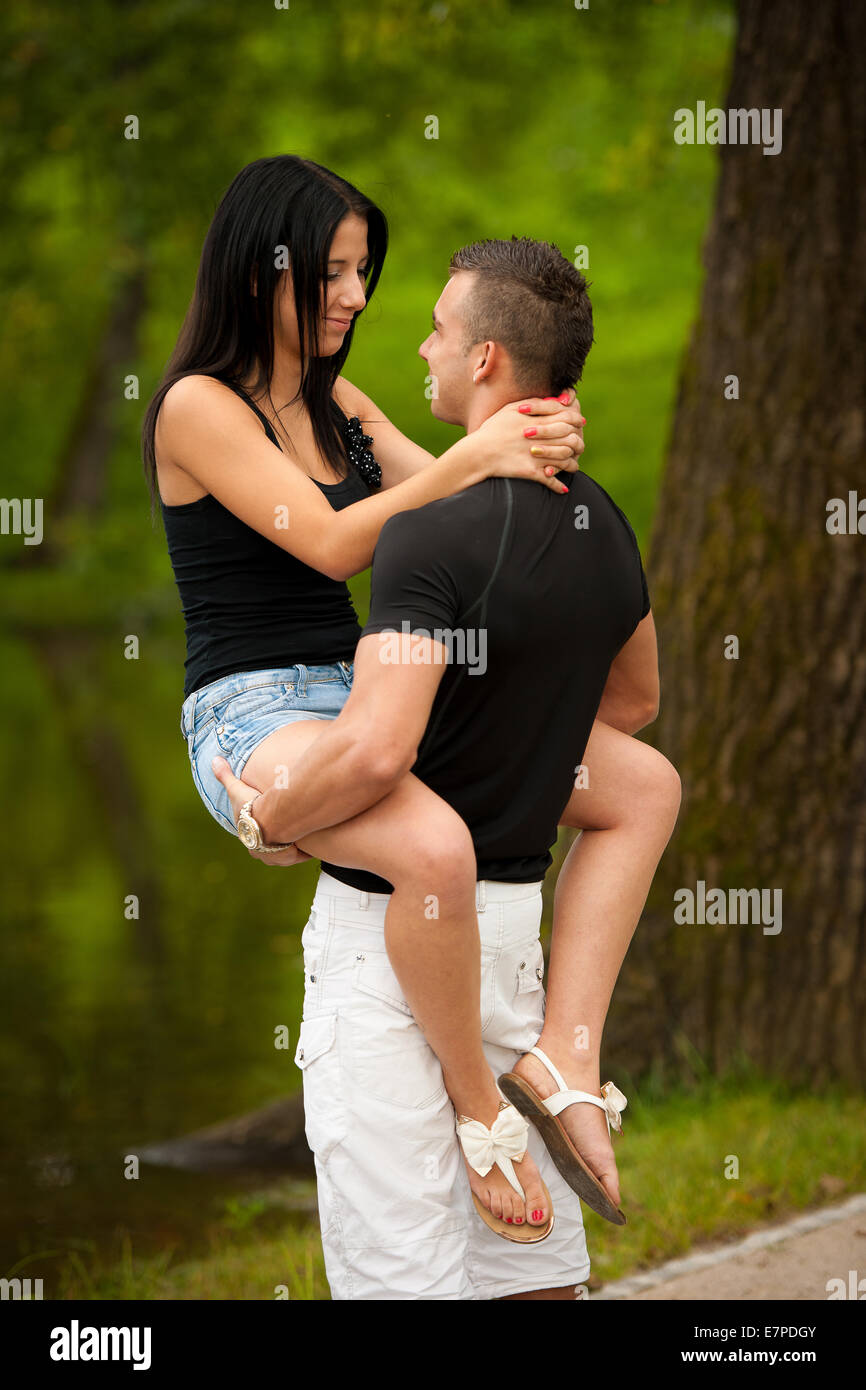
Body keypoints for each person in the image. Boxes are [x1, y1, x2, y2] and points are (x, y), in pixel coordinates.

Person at [145, 153, 676, 1240]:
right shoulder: (197, 407)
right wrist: (477, 451)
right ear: (261, 272)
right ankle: (482, 1117)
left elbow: (433, 488)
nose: (355, 297)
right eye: (334, 273)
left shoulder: (334, 399)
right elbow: (339, 540)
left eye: (362, 273)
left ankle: (564, 1061)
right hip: (255, 711)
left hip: (363, 688)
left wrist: (522, 446)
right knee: (434, 849)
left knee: (642, 784)